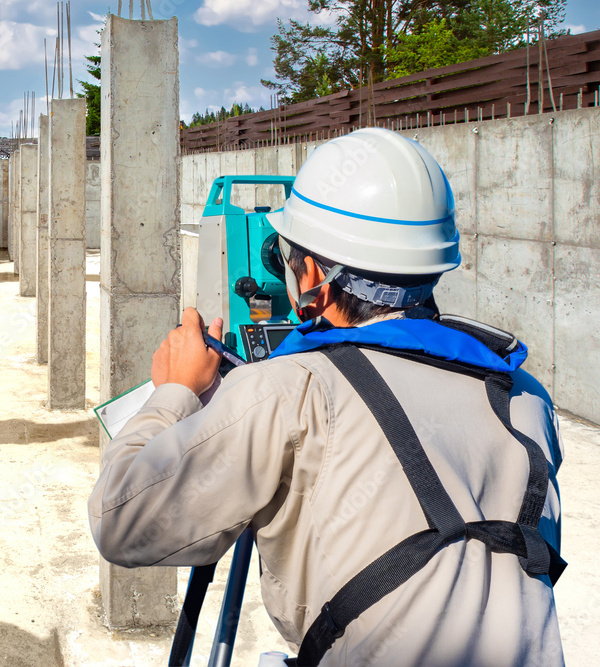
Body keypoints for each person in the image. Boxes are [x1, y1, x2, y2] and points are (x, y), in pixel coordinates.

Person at [88, 128, 565, 666]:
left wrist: (176, 390)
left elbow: (121, 520)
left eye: (291, 258)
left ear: (311, 274)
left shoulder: (290, 391)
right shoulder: (523, 395)